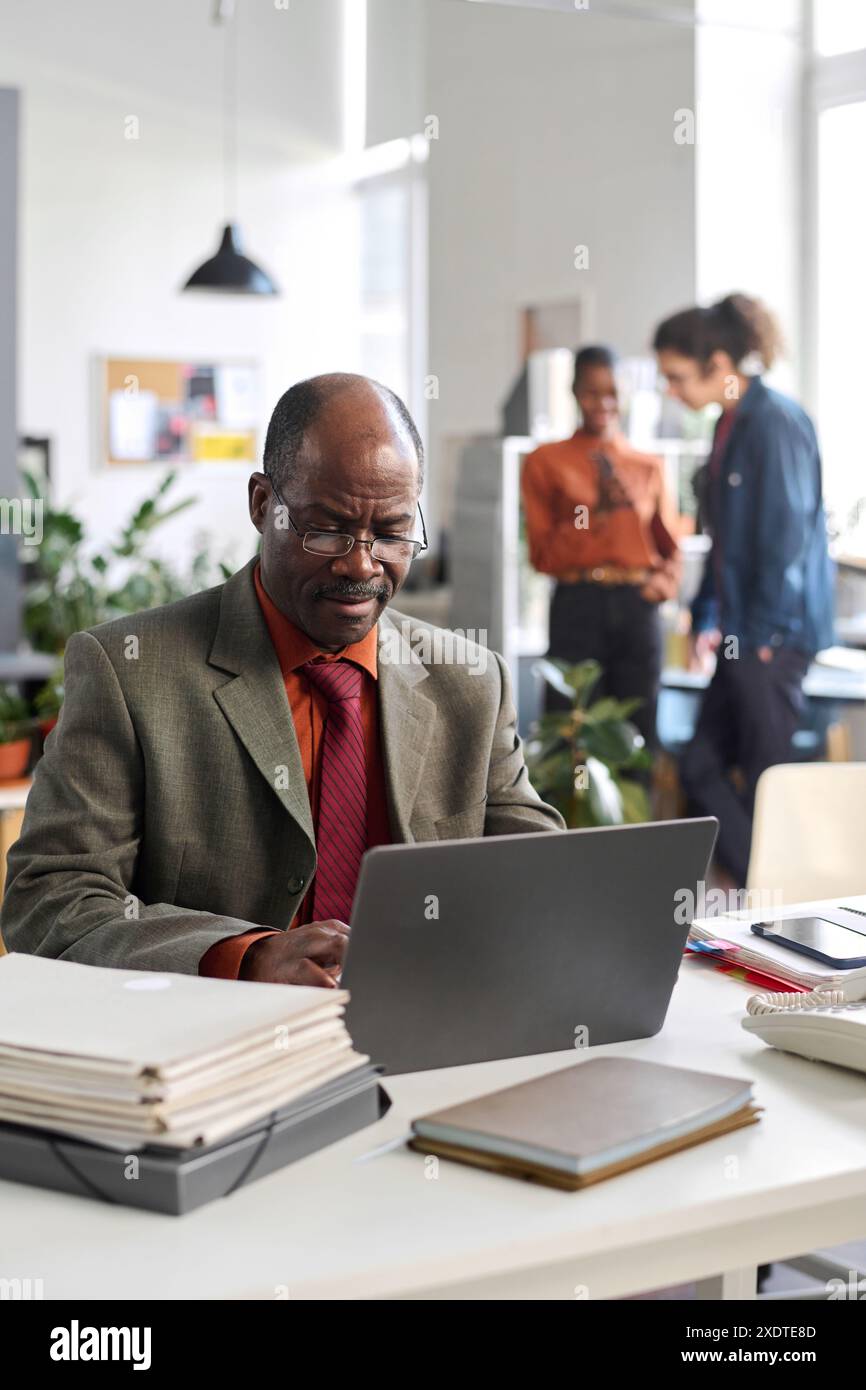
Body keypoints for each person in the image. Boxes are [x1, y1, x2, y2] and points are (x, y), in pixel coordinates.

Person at [1, 374, 563, 987]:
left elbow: (536, 870)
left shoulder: (471, 682)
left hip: (428, 1027)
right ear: (263, 505)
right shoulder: (129, 671)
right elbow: (49, 902)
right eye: (326, 529)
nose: (361, 564)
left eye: (393, 533)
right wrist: (245, 956)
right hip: (217, 1049)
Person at [653, 293, 835, 885]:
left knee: (767, 777)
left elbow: (783, 541)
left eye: (678, 377)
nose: (672, 391)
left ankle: (780, 898)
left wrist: (760, 636)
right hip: (739, 635)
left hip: (770, 639)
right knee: (701, 764)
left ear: (720, 363)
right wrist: (708, 615)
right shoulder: (729, 424)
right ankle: (764, 883)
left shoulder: (774, 422)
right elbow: (725, 541)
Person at [520, 345, 680, 746]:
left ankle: (642, 812)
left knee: (638, 732)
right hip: (578, 604)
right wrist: (595, 514)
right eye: (592, 391)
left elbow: (670, 547)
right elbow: (541, 555)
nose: (604, 402)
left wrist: (658, 588)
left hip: (637, 606)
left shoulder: (649, 466)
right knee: (568, 730)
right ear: (575, 392)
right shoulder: (546, 461)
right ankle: (564, 810)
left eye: (613, 391)